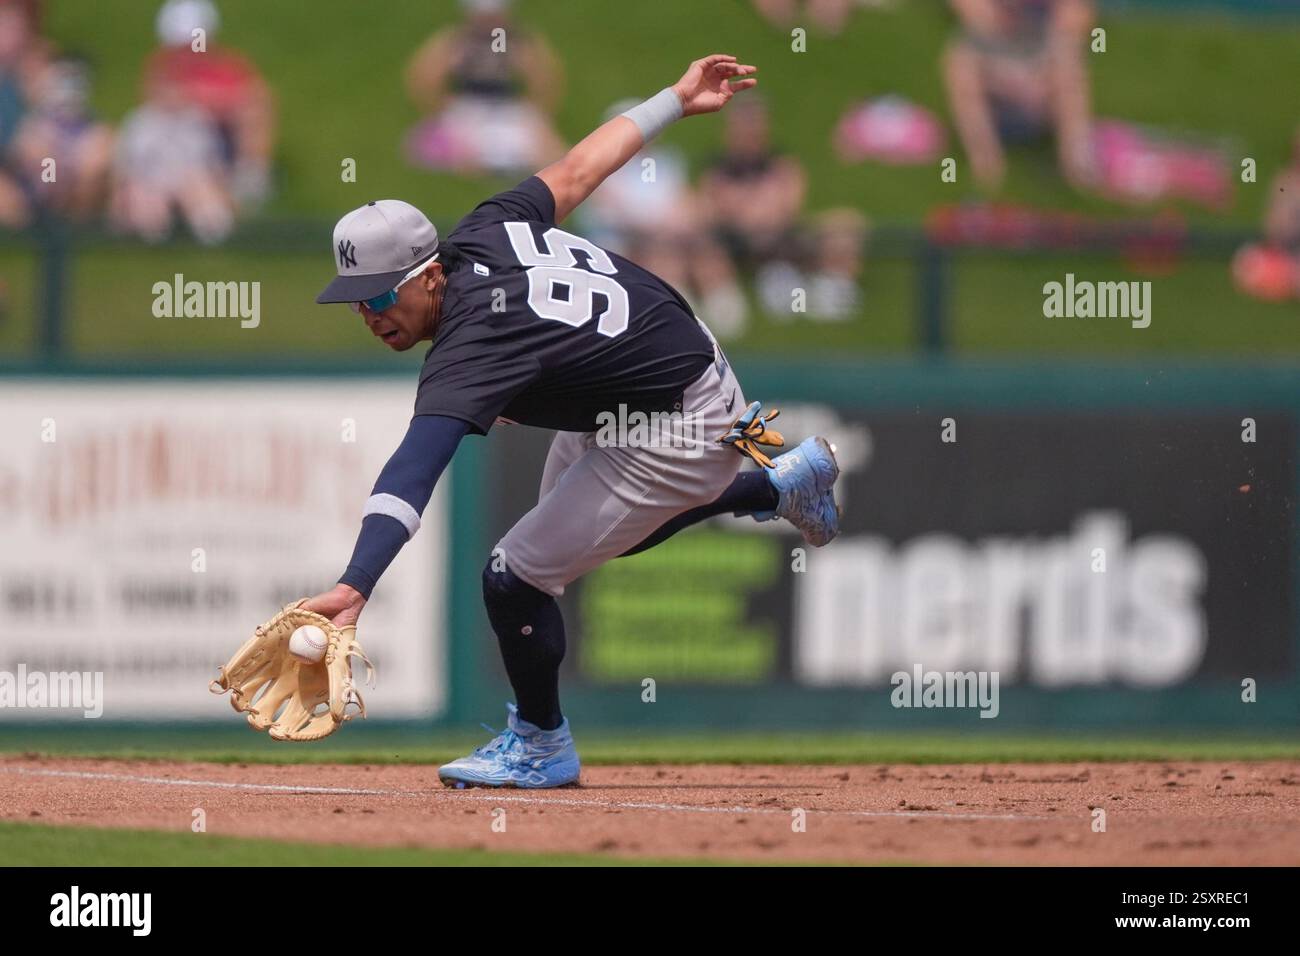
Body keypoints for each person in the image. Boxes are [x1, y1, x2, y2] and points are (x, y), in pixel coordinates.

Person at [304, 55, 842, 789]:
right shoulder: (486, 228)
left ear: (429, 274)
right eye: (356, 302)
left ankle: (540, 742)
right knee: (563, 553)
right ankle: (777, 487)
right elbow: (582, 168)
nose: (368, 316)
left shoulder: (471, 342)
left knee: (516, 578)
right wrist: (674, 100)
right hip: (660, 379)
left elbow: (415, 465)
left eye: (378, 297)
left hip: (676, 418)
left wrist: (354, 584)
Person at [942, 0, 1094, 191]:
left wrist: (1037, 73)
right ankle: (986, 163)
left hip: (1042, 66)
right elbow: (972, 11)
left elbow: (1076, 19)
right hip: (994, 62)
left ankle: (1077, 164)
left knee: (1068, 62)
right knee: (961, 64)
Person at [404, 0, 565, 175]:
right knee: (459, 149)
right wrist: (441, 108)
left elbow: (544, 75)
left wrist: (536, 109)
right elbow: (425, 75)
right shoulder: (457, 40)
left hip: (506, 104)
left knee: (547, 144)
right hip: (469, 104)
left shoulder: (514, 39)